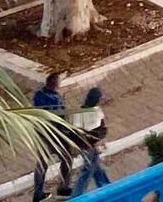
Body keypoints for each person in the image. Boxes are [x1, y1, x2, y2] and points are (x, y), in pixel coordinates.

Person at [30, 71, 71, 200]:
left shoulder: (38, 95)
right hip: (56, 135)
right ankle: (63, 188)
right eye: (59, 81)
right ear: (55, 84)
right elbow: (60, 118)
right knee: (67, 159)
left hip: (41, 133)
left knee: (41, 164)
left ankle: (38, 193)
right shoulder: (57, 99)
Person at [69, 87, 111, 195]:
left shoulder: (81, 111)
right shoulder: (94, 113)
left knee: (96, 167)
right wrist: (98, 144)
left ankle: (105, 185)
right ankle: (77, 195)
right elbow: (95, 132)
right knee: (87, 171)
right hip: (90, 147)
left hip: (85, 146)